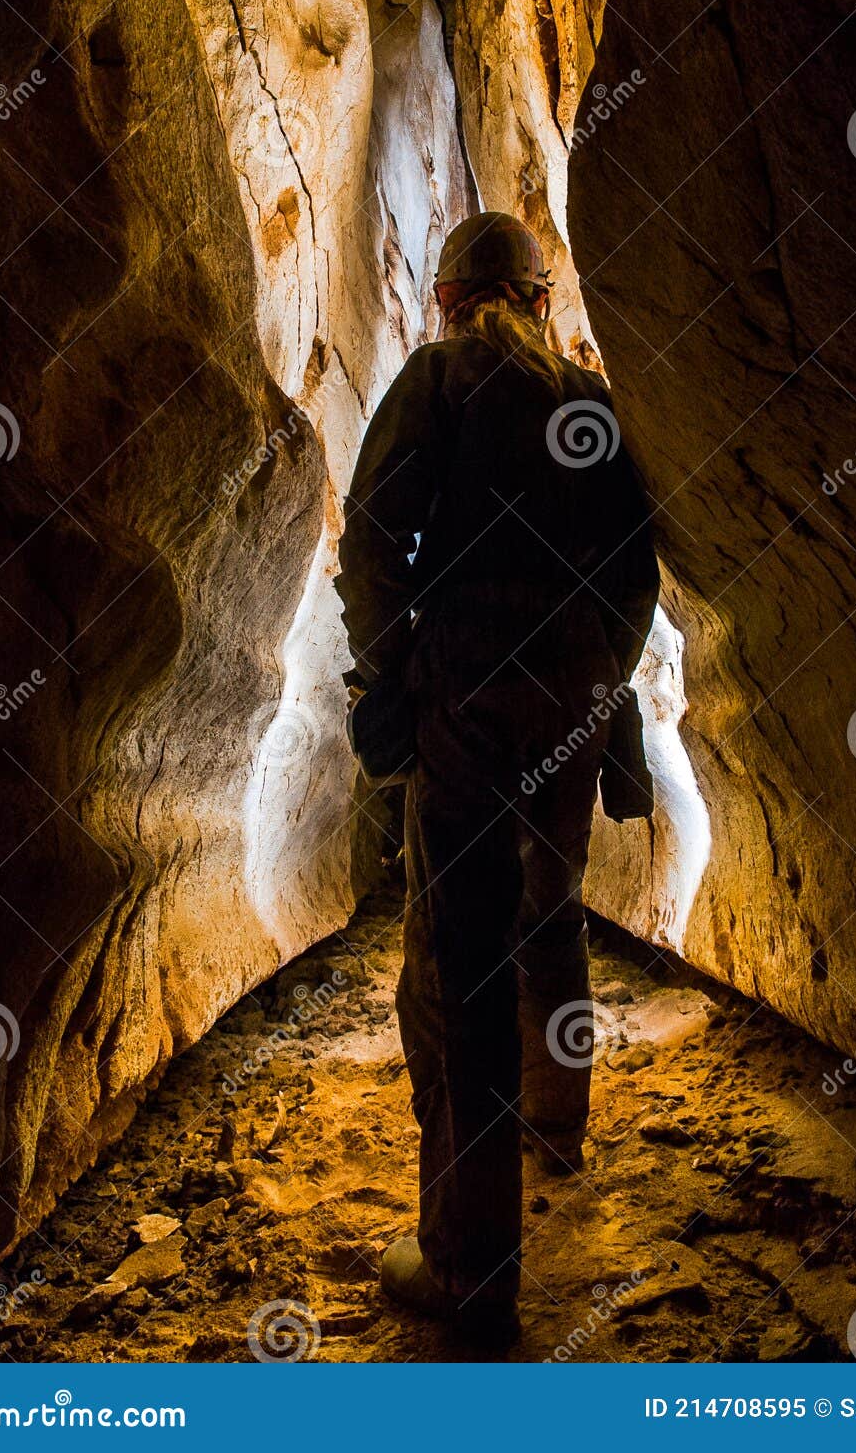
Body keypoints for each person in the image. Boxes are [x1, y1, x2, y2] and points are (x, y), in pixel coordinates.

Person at [334, 211, 660, 1345]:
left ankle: (472, 1266)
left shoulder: (437, 382)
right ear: (536, 298)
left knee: (453, 970)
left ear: (450, 298)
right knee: (550, 911)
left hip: (468, 698)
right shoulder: (590, 404)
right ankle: (555, 1126)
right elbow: (635, 570)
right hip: (570, 706)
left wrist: (398, 674)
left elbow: (370, 536)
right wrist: (591, 682)